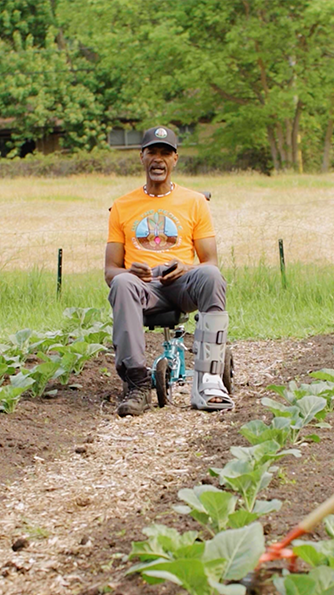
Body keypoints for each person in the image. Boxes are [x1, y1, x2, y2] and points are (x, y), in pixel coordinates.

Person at [104, 126, 233, 417]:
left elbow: (210, 262)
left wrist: (187, 266)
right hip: (143, 285)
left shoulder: (195, 202)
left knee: (211, 276)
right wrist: (128, 271)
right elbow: (110, 270)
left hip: (181, 281)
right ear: (142, 157)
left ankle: (209, 380)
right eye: (152, 152)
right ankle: (137, 386)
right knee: (122, 282)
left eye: (165, 153)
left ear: (175, 159)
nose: (158, 159)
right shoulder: (122, 206)